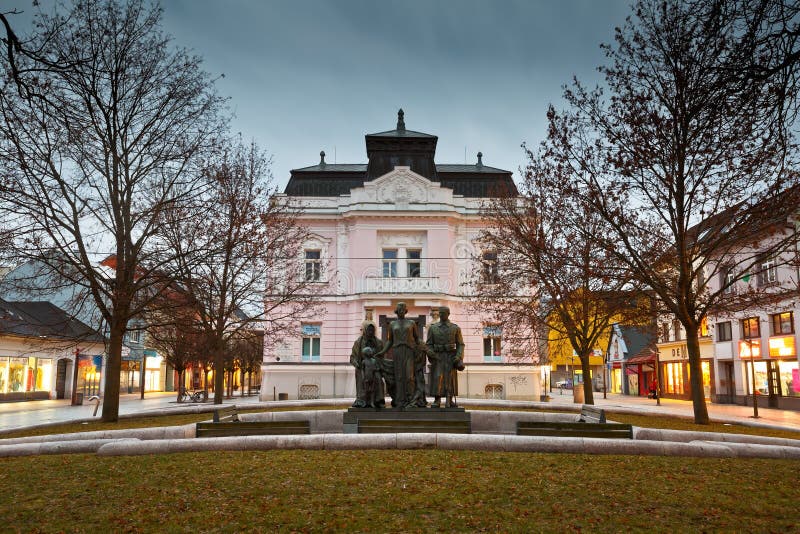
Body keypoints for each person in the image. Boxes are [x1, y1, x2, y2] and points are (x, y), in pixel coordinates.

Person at [374, 302, 420, 409]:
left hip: (409, 352)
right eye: (399, 309)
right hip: (397, 352)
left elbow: (417, 339)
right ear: (396, 311)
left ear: (405, 311)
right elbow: (390, 341)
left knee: (409, 377)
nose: (401, 311)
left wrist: (419, 351)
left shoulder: (412, 323)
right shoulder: (392, 324)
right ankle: (399, 400)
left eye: (403, 309)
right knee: (398, 377)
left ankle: (411, 401)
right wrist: (382, 352)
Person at [426, 306, 465, 408]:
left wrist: (458, 356)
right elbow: (429, 344)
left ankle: (449, 399)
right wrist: (430, 352)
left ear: (448, 314)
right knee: (438, 377)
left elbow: (460, 344)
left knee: (449, 377)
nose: (441, 315)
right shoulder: (433, 328)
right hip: (438, 356)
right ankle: (437, 399)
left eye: (443, 313)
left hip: (450, 356)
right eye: (440, 313)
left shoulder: (455, 328)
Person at [349, 321, 386, 408]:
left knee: (378, 379)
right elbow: (352, 357)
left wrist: (377, 364)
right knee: (362, 380)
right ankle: (362, 401)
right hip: (362, 367)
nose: (371, 332)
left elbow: (382, 356)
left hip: (374, 367)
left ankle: (378, 401)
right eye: (369, 330)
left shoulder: (379, 342)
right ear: (365, 330)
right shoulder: (358, 342)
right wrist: (356, 363)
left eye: (372, 330)